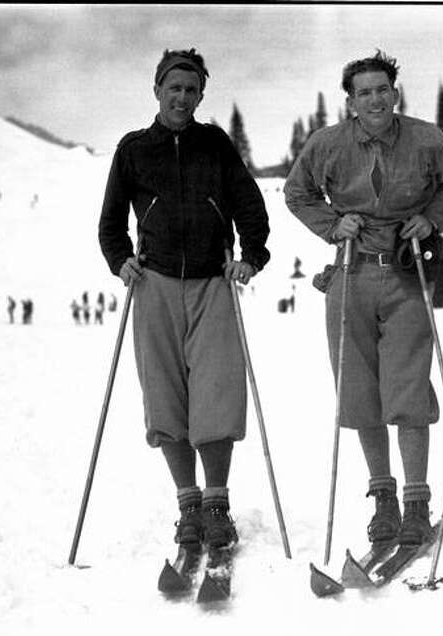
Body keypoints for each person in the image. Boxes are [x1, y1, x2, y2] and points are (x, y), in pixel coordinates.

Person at [285, 50, 443, 546]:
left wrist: (432, 218)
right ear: (351, 101)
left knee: (408, 392)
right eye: (364, 92)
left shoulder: (425, 138)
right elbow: (297, 192)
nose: (375, 99)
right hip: (349, 275)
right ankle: (383, 501)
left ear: (395, 93)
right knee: (361, 393)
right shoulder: (327, 144)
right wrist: (332, 224)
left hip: (405, 274)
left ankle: (416, 503)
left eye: (382, 90)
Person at [98, 48, 270, 552]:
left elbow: (247, 203)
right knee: (165, 393)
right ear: (157, 90)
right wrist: (120, 259)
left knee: (216, 390)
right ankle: (189, 505)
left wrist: (252, 255)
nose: (182, 97)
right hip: (152, 283)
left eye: (191, 90)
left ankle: (217, 505)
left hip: (211, 280)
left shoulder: (214, 143)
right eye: (174, 88)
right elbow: (111, 222)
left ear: (200, 96)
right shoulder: (133, 149)